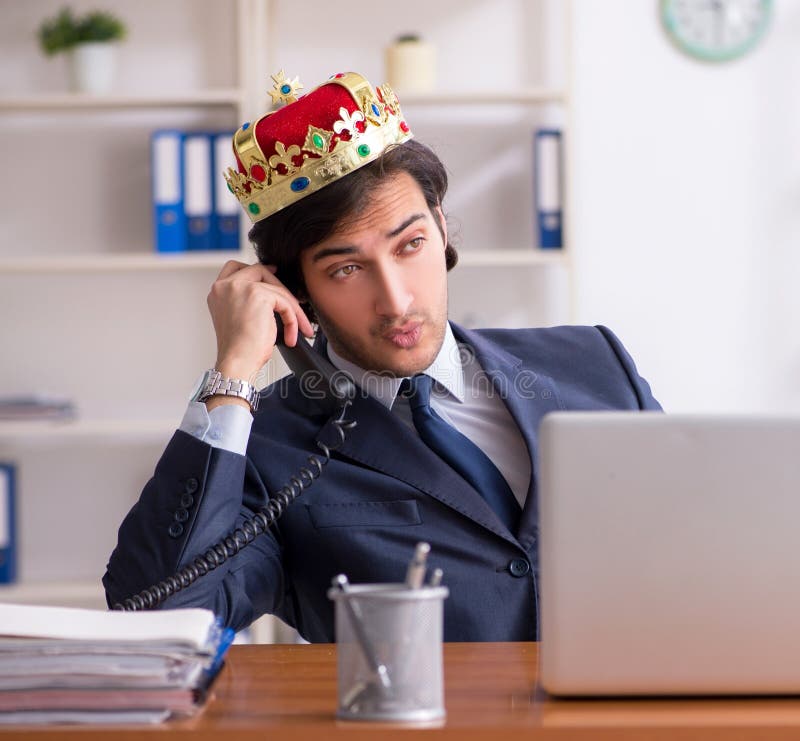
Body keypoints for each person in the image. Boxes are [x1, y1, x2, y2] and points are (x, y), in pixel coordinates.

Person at [104, 70, 660, 642]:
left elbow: (696, 541)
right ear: (296, 291)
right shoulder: (266, 447)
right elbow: (157, 617)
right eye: (346, 269)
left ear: (442, 228)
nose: (396, 301)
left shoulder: (595, 360)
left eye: (410, 245)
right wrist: (234, 371)